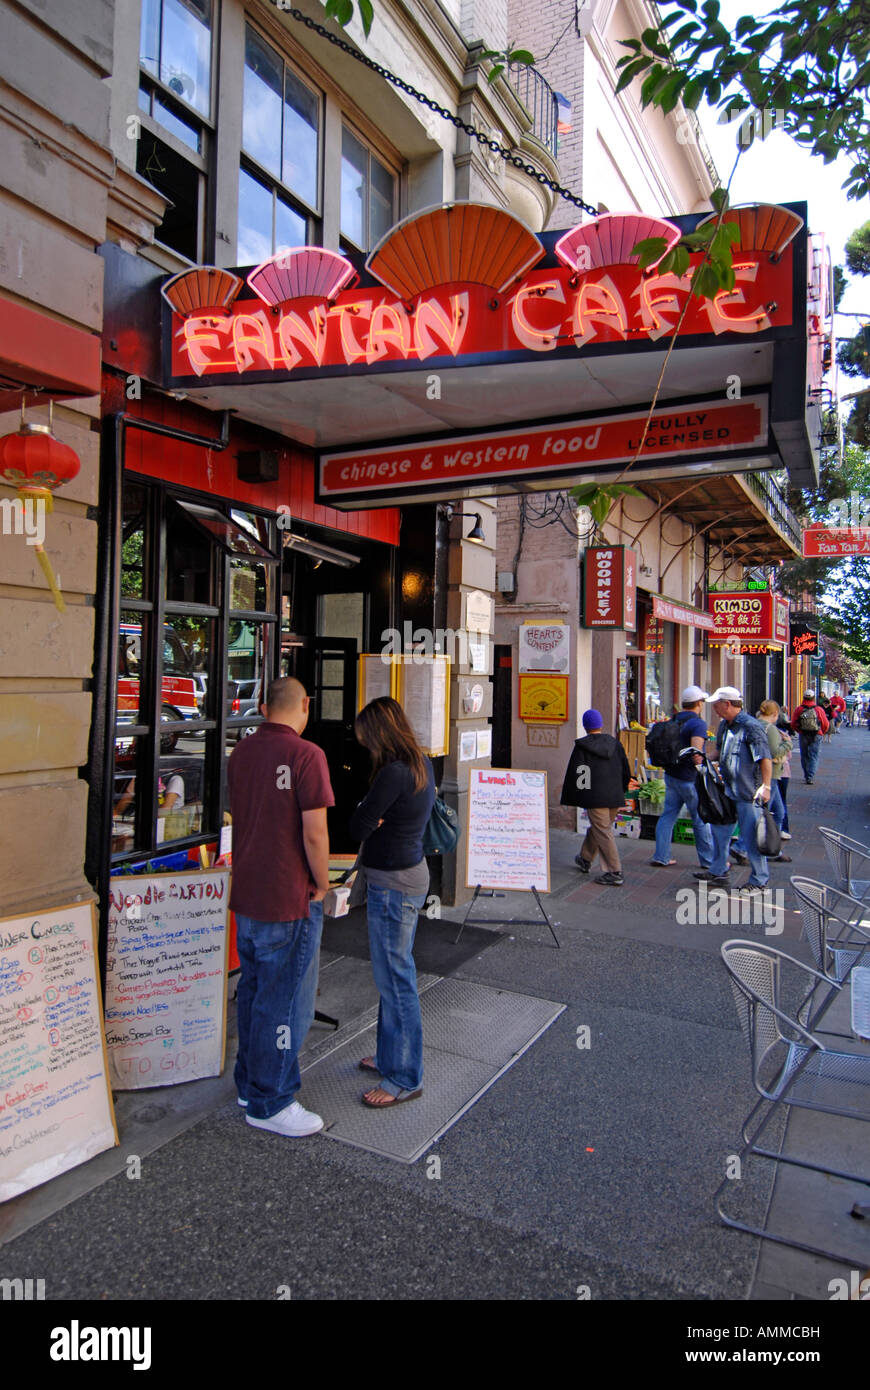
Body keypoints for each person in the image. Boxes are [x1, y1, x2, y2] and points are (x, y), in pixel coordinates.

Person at [228, 677, 333, 1138]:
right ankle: (272, 1101)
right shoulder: (307, 754)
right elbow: (315, 832)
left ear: (263, 705)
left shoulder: (242, 751)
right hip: (287, 895)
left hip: (248, 892)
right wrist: (325, 882)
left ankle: (250, 1085)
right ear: (305, 705)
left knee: (253, 993)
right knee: (284, 1002)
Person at [348, 697, 435, 1109]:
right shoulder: (421, 763)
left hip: (392, 884)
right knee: (391, 976)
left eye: (366, 735)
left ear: (379, 732)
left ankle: (404, 1076)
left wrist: (366, 812)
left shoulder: (392, 773)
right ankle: (389, 1058)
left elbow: (358, 825)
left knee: (396, 980)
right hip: (411, 874)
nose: (363, 744)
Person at [695, 686, 772, 896]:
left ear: (727, 704)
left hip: (748, 793)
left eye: (716, 705)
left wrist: (766, 786)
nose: (714, 709)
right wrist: (705, 759)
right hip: (728, 789)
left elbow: (764, 757)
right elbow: (720, 751)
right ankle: (718, 870)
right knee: (719, 832)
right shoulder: (725, 725)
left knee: (751, 836)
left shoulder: (750, 727)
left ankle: (759, 880)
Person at [560, 709, 632, 885]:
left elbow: (579, 773)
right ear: (600, 724)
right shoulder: (614, 744)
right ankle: (585, 858)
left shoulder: (583, 746)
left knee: (603, 830)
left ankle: (614, 871)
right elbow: (625, 769)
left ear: (585, 726)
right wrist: (622, 788)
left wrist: (581, 795)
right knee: (601, 827)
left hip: (595, 796)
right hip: (614, 794)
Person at [649, 685, 715, 871]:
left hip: (671, 775)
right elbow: (696, 753)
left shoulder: (675, 720)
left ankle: (661, 856)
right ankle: (709, 861)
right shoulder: (697, 724)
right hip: (689, 778)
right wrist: (704, 770)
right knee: (700, 818)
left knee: (668, 816)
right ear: (698, 704)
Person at [790, 690, 829, 783]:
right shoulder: (818, 709)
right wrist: (821, 732)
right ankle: (810, 776)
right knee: (813, 755)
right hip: (816, 734)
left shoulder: (799, 709)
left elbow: (793, 723)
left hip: (803, 734)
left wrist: (799, 731)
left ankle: (806, 774)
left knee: (804, 755)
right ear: (813, 698)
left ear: (803, 697)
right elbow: (825, 723)